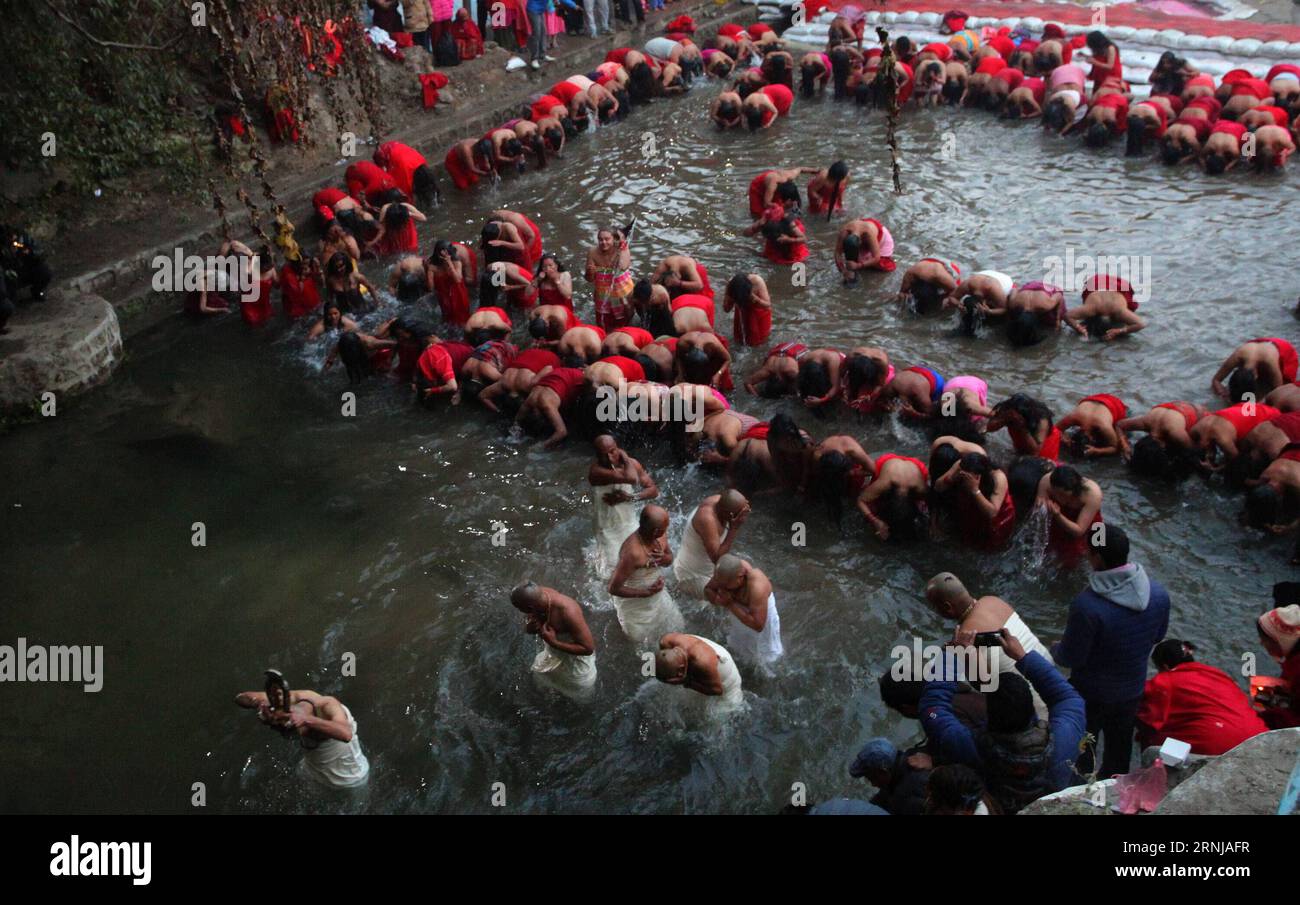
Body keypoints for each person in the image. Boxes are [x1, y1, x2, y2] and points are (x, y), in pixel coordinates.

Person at [919, 628, 1086, 814]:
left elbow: (933, 709)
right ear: (1030, 707)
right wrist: (1023, 657)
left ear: (989, 713)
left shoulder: (969, 747)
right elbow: (1068, 699)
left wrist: (951, 657)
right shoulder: (1063, 738)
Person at [1052, 525, 1170, 778]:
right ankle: (1115, 792)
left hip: (1091, 693)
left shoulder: (1087, 606)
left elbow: (1072, 657)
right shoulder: (1158, 593)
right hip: (1131, 690)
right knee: (1119, 750)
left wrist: (1055, 649)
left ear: (1097, 558)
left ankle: (1080, 790)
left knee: (1083, 749)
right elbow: (1158, 636)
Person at [1135, 639, 1268, 755]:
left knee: (1155, 740)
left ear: (1164, 666)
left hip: (1219, 741)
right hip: (1259, 736)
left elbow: (1146, 717)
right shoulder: (1217, 674)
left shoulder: (1165, 681)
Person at [923, 572, 1052, 690]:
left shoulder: (965, 636)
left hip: (1032, 700)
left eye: (934, 606)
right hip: (1049, 673)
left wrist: (958, 656)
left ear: (947, 607)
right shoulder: (993, 600)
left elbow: (984, 686)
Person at [235, 678, 370, 788]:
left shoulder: (328, 705)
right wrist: (261, 704)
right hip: (312, 770)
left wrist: (306, 720)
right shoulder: (295, 699)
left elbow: (346, 734)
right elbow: (241, 698)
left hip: (350, 779)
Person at [608, 506, 683, 646]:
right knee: (640, 642)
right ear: (655, 531)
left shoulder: (661, 536)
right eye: (665, 527)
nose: (667, 529)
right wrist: (645, 593)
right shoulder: (632, 553)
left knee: (676, 628)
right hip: (636, 606)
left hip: (658, 597)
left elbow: (669, 559)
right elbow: (613, 588)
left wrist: (664, 558)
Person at [510, 581, 597, 698]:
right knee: (540, 679)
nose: (520, 611)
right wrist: (529, 627)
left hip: (575, 664)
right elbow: (529, 622)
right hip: (551, 655)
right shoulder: (537, 597)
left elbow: (588, 648)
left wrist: (554, 642)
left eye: (519, 608)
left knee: (581, 695)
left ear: (530, 607)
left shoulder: (568, 611)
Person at [589, 435, 658, 578]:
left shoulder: (632, 464)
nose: (609, 458)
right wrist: (625, 457)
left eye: (613, 451)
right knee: (610, 574)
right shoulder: (596, 472)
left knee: (642, 566)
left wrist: (632, 497)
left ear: (618, 448)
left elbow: (653, 490)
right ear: (597, 456)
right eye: (604, 455)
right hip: (606, 528)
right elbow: (632, 478)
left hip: (629, 522)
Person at [705, 554, 783, 665]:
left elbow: (758, 625)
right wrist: (718, 600)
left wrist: (730, 604)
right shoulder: (725, 573)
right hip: (739, 615)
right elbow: (708, 589)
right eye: (719, 583)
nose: (721, 588)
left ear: (740, 577)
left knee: (768, 657)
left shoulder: (757, 586)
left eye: (725, 585)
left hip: (761, 618)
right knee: (738, 650)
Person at [932, 452, 1016, 550]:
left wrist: (974, 489)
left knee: (993, 545)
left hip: (997, 515)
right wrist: (952, 477)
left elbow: (992, 513)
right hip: (971, 507)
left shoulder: (998, 477)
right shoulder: (961, 465)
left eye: (971, 477)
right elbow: (938, 487)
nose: (967, 479)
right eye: (965, 477)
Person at [674, 490, 750, 598]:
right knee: (731, 598)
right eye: (742, 513)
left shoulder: (723, 501)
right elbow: (717, 559)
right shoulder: (707, 519)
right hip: (692, 575)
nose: (745, 514)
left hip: (708, 566)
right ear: (732, 515)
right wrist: (735, 528)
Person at [654, 633, 744, 713]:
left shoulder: (702, 661)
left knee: (718, 715)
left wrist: (686, 682)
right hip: (706, 661)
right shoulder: (665, 641)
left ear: (681, 671)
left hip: (725, 675)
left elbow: (717, 690)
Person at [1036, 464, 1103, 564]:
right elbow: (1039, 514)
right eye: (1056, 494)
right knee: (1056, 550)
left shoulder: (1093, 494)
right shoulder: (1046, 481)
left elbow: (1079, 531)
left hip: (1091, 520)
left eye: (1064, 495)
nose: (1060, 498)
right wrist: (1041, 506)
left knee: (1099, 550)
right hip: (1059, 512)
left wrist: (1058, 515)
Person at [848, 737, 929, 816]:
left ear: (884, 772)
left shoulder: (907, 797)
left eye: (872, 778)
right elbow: (882, 798)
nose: (873, 784)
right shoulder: (903, 761)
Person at [1211, 338, 1298, 401]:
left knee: (1283, 388)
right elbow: (1216, 380)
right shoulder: (1238, 356)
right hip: (1254, 346)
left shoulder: (1269, 362)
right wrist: (1222, 392)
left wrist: (1261, 403)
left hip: (1282, 349)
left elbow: (1278, 390)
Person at [1256, 604, 1300, 728]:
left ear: (1278, 640)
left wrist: (1265, 715)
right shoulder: (1293, 660)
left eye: (1264, 639)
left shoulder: (1297, 669)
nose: (1261, 643)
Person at [585, 226, 634, 331]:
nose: (603, 242)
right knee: (602, 324)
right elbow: (589, 279)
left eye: (607, 239)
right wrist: (590, 272)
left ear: (614, 239)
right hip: (602, 294)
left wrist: (623, 244)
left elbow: (623, 266)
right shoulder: (593, 252)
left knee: (625, 323)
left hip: (622, 292)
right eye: (600, 239)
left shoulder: (621, 249)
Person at [723, 272, 772, 347]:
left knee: (761, 342)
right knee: (739, 340)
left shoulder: (757, 281)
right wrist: (731, 300)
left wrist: (756, 299)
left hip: (759, 312)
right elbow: (726, 309)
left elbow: (767, 305)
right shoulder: (731, 286)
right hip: (742, 311)